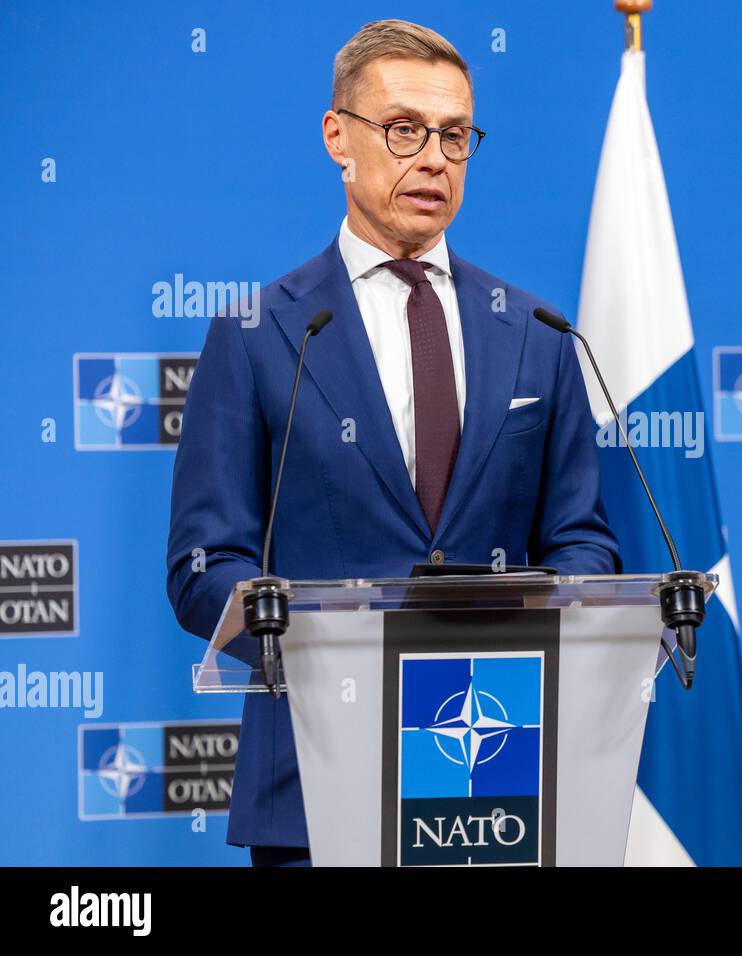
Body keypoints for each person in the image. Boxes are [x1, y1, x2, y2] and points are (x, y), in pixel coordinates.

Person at [166, 19, 620, 866]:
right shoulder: (262, 335)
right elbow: (204, 566)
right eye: (405, 129)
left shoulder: (536, 333)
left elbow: (583, 539)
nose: (436, 159)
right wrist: (302, 625)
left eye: (455, 136)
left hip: (498, 780)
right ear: (339, 137)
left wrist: (551, 602)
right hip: (318, 776)